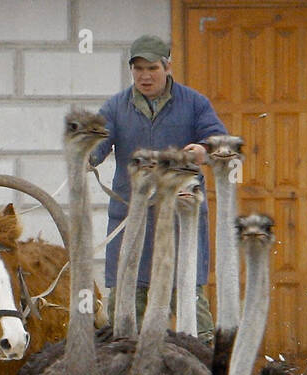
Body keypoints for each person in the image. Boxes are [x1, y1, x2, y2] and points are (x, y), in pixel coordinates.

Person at [90, 34, 227, 340]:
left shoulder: (194, 104)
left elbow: (220, 141)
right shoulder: (115, 107)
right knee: (122, 325)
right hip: (132, 224)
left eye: (151, 68)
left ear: (167, 66)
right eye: (137, 69)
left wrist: (204, 151)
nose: (144, 76)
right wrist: (87, 153)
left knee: (195, 317)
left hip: (181, 223)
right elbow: (97, 142)